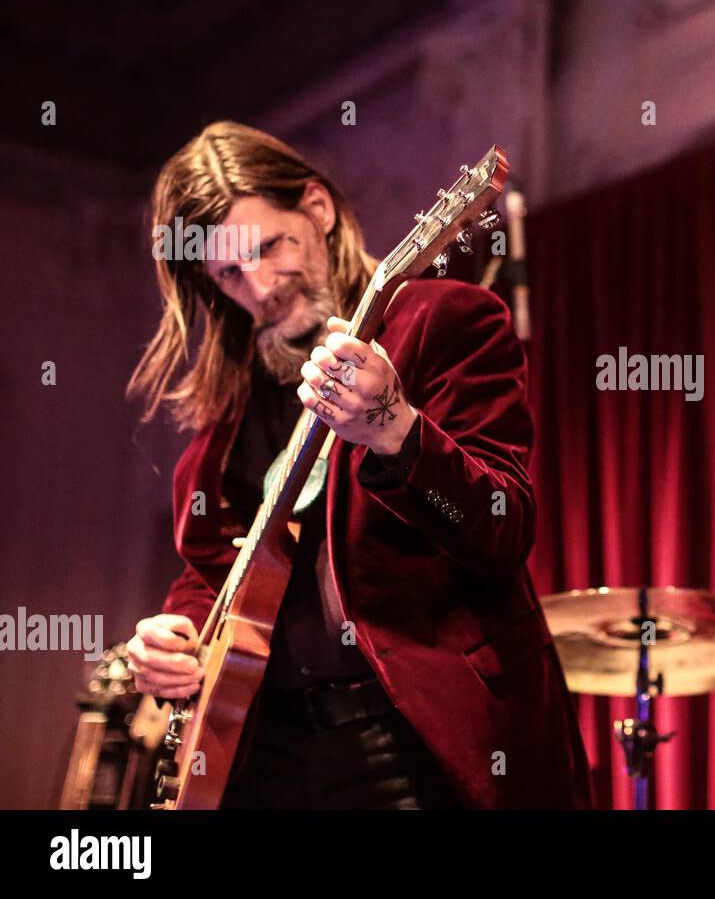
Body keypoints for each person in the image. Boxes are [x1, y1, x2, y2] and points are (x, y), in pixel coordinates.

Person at [124, 121, 592, 809]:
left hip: (411, 737)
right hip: (265, 752)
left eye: (265, 248)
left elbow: (504, 525)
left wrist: (393, 428)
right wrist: (175, 635)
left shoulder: (447, 323)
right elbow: (211, 571)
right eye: (227, 273)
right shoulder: (227, 417)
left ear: (317, 208)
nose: (259, 288)